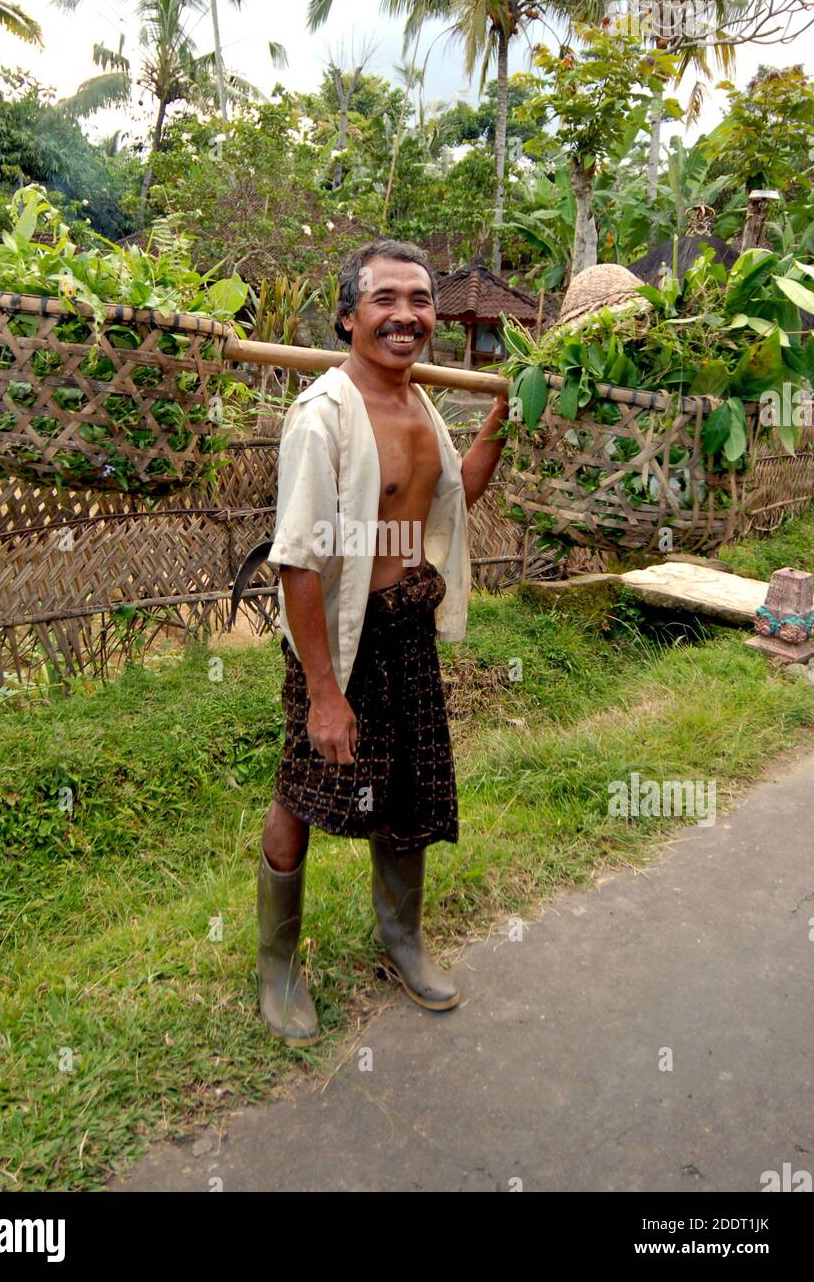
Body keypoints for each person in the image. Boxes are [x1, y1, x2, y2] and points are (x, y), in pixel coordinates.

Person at [257, 239, 510, 1047]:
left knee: (408, 793)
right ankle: (278, 967)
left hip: (408, 635)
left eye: (420, 300)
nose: (406, 316)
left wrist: (498, 431)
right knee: (302, 792)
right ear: (348, 316)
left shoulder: (423, 408)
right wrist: (325, 694)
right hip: (340, 644)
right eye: (385, 299)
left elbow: (445, 507)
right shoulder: (323, 415)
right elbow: (296, 560)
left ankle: (400, 940)